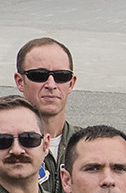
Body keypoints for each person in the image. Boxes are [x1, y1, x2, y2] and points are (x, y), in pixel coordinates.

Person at [12, 37, 80, 177]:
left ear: (71, 83)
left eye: (61, 76)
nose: (51, 85)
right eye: (39, 75)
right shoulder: (3, 148)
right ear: (20, 81)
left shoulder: (87, 147)